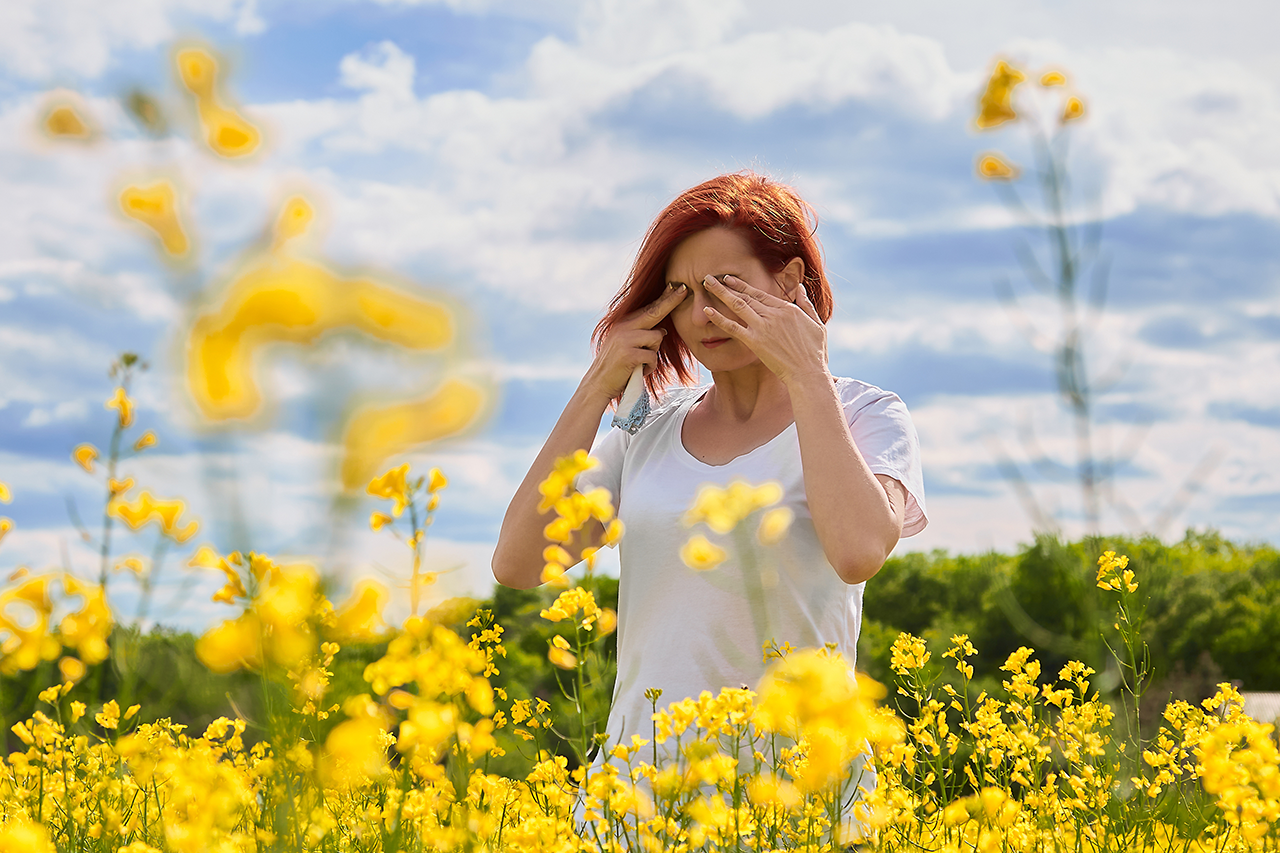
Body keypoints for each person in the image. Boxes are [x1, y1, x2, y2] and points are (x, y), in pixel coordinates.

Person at [492, 171, 927, 779]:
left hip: (797, 800)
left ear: (791, 280)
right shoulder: (646, 432)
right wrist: (598, 385)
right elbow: (517, 563)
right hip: (637, 801)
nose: (702, 314)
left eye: (725, 286)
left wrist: (808, 375)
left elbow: (857, 552)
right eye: (680, 291)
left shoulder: (865, 415)